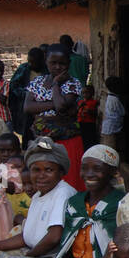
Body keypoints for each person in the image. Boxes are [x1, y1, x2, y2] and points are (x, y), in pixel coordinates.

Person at [23, 45, 85, 191]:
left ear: (68, 64)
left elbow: (61, 106)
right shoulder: (37, 82)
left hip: (67, 142)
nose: (57, 67)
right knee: (45, 180)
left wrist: (56, 84)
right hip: (43, 141)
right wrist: (54, 105)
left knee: (69, 182)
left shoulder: (72, 83)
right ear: (46, 61)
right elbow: (27, 107)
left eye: (62, 63)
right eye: (53, 63)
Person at [9, 46, 43, 139]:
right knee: (27, 131)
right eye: (29, 61)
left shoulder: (47, 71)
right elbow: (14, 85)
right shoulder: (24, 69)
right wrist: (26, 94)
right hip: (26, 106)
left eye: (33, 62)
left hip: (42, 108)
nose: (30, 64)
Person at [99, 76, 126, 150]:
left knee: (110, 148)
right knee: (111, 149)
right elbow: (122, 113)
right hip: (112, 129)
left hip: (109, 128)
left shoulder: (111, 97)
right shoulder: (114, 99)